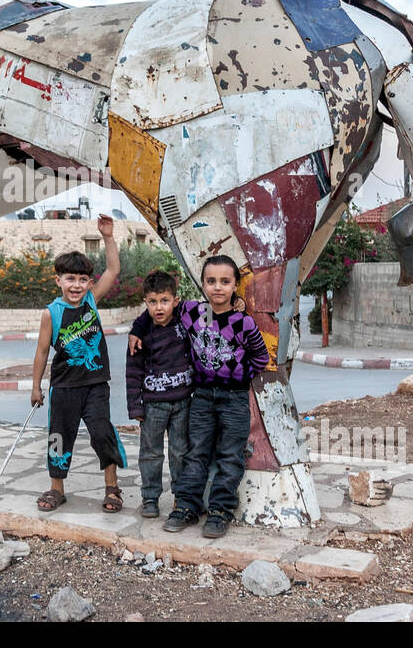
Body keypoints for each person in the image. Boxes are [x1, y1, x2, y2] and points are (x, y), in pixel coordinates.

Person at [130, 255, 268, 539]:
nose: (218, 287)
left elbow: (261, 357)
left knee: (230, 456)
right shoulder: (194, 313)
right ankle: (187, 506)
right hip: (202, 397)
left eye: (225, 282)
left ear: (234, 286)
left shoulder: (243, 322)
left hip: (235, 399)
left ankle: (219, 511)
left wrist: (239, 376)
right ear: (203, 284)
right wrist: (137, 329)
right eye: (211, 281)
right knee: (195, 453)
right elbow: (160, 308)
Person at [30, 214, 126, 513]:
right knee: (59, 436)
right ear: (58, 280)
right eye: (70, 279)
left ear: (89, 283)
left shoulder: (91, 302)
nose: (77, 285)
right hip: (64, 388)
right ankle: (57, 488)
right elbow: (42, 352)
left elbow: (113, 269)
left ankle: (112, 487)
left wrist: (108, 236)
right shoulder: (51, 313)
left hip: (96, 385)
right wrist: (35, 386)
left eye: (83, 279)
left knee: (102, 432)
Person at [124, 270, 194, 519]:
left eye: (164, 300)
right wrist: (135, 406)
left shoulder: (185, 322)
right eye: (152, 302)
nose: (158, 307)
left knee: (180, 452)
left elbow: (207, 308)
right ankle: (150, 497)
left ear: (175, 300)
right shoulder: (140, 337)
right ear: (146, 302)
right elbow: (132, 374)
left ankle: (182, 496)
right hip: (153, 406)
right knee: (151, 453)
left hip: (183, 401)